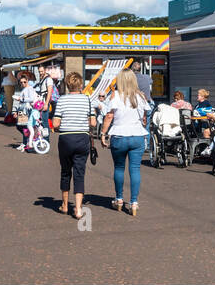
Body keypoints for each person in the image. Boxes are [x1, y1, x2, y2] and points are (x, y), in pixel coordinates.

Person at [100, 69, 148, 216]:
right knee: (135, 170)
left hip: (119, 134)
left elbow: (109, 116)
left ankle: (119, 199)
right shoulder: (141, 97)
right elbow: (145, 119)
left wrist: (103, 133)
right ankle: (134, 202)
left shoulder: (115, 96)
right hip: (137, 135)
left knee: (119, 168)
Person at [54, 72, 95, 219]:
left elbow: (56, 123)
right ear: (81, 85)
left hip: (65, 138)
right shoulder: (87, 99)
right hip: (82, 138)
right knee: (79, 173)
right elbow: (93, 122)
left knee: (65, 172)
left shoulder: (61, 100)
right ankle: (78, 209)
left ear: (67, 85)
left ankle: (65, 205)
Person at [15, 73, 41, 152]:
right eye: (21, 82)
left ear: (27, 81)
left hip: (27, 110)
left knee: (23, 127)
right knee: (22, 127)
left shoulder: (30, 88)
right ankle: (25, 142)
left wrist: (21, 99)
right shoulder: (24, 89)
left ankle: (26, 143)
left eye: (24, 82)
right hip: (23, 109)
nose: (23, 84)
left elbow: (31, 99)